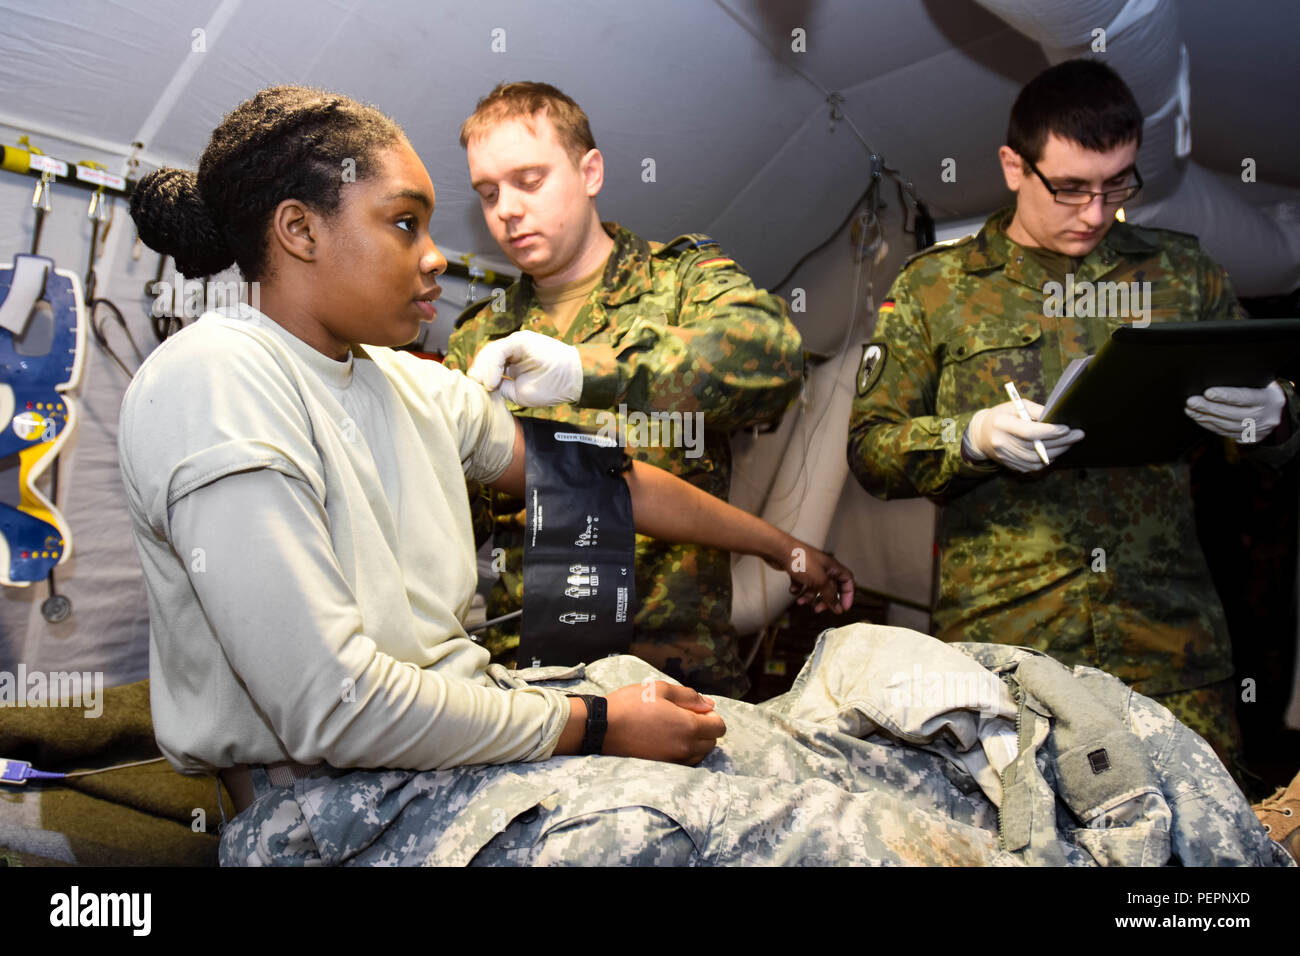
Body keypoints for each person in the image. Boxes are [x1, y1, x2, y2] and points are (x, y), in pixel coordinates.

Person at [118, 85, 1283, 869]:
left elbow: (606, 476)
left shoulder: (414, 382)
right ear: (299, 230)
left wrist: (777, 547)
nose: (443, 250)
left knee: (922, 748)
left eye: (446, 214)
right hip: (343, 793)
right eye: (412, 218)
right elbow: (332, 706)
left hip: (501, 719)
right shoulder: (220, 374)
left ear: (589, 171)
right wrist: (584, 720)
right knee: (827, 837)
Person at [846, 58, 1300, 781]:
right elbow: (870, 451)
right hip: (1009, 650)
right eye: (1071, 189)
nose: (1096, 212)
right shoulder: (934, 287)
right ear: (1013, 166)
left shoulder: (1182, 273)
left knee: (1206, 853)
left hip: (1172, 643)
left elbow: (1276, 434)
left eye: (1118, 183)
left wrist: (1274, 418)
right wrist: (967, 438)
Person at [443, 82, 805, 697]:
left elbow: (773, 361)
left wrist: (591, 369)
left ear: (590, 172)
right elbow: (455, 515)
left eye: (529, 180)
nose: (506, 208)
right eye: (488, 192)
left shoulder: (682, 282)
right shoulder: (481, 336)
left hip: (679, 667)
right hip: (538, 681)